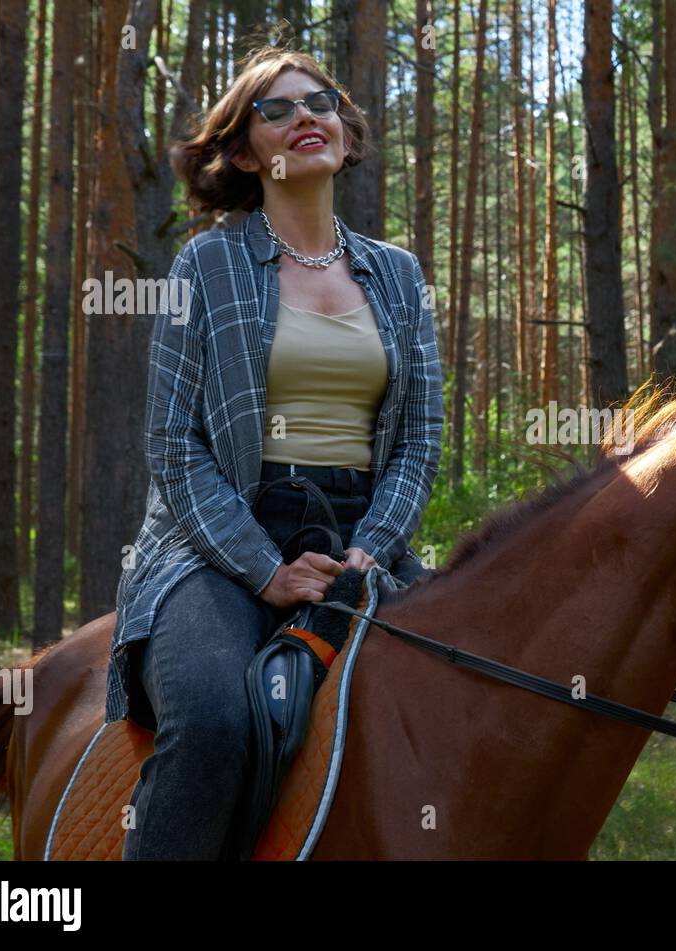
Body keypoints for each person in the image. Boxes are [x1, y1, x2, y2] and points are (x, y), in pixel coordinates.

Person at [108, 45, 443, 860]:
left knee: (479, 696)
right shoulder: (208, 265)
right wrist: (265, 569)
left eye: (321, 102)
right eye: (278, 109)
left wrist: (373, 546)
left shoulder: (398, 277)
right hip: (217, 549)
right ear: (243, 151)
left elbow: (420, 438)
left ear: (346, 133)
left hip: (363, 543)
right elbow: (172, 444)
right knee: (217, 718)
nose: (306, 118)